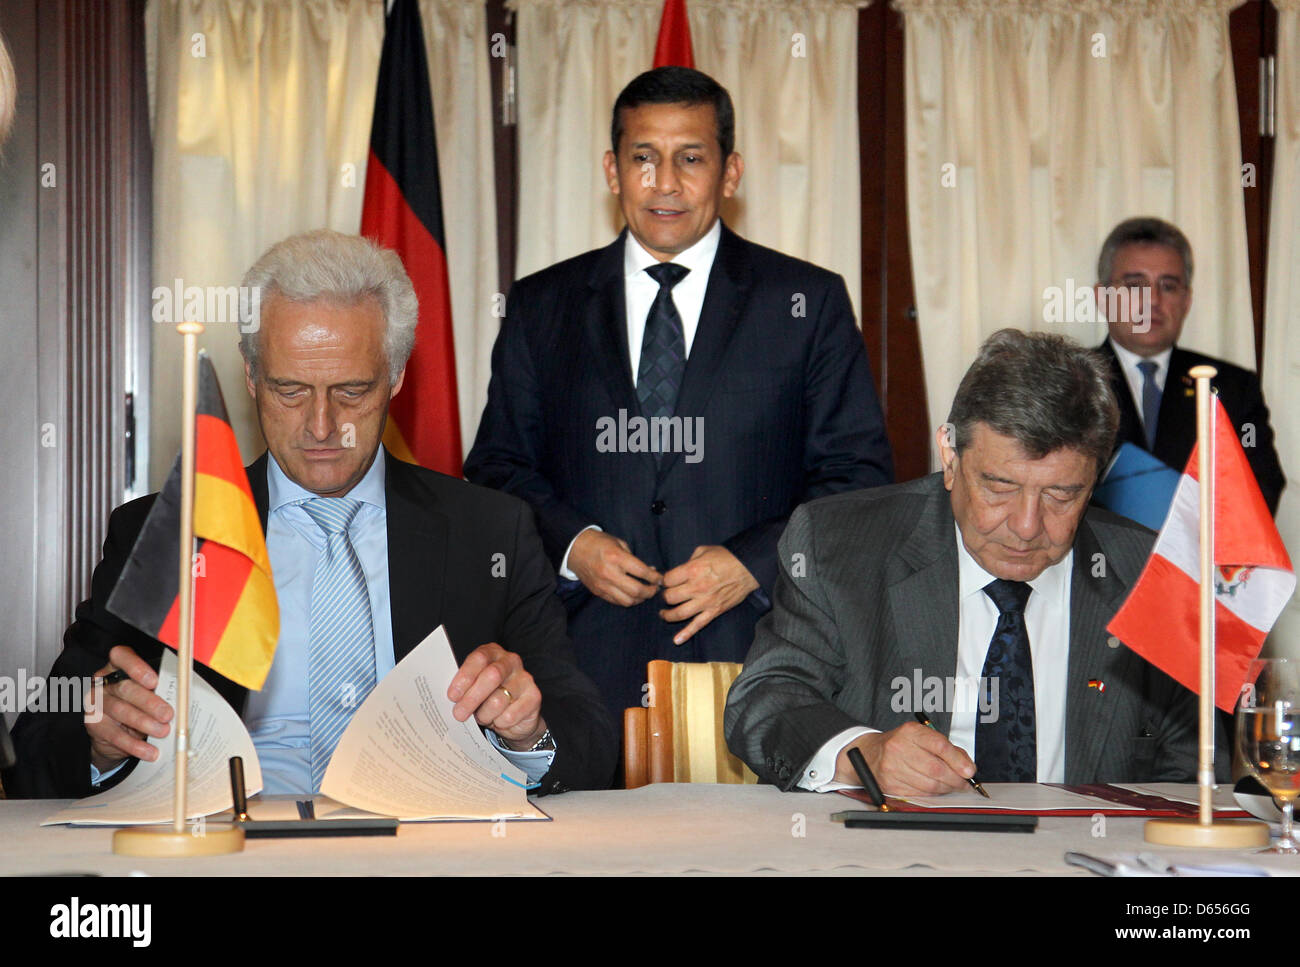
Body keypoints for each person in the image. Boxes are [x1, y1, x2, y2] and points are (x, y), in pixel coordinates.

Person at [3, 230, 617, 799]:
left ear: (397, 375)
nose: (322, 427)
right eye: (289, 391)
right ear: (250, 376)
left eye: (351, 391)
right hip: (228, 851)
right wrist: (97, 739)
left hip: (423, 850)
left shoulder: (490, 530)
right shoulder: (171, 531)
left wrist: (526, 731)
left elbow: (587, 738)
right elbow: (36, 745)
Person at [464, 67, 894, 715]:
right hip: (583, 667)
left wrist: (755, 561)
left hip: (763, 659)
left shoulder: (806, 301)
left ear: (730, 173)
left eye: (690, 158)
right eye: (644, 157)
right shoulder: (541, 304)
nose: (665, 182)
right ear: (613, 171)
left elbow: (858, 479)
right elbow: (496, 468)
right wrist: (575, 544)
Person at [725, 329, 1216, 795]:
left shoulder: (1152, 572)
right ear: (950, 456)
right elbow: (768, 697)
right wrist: (864, 754)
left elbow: (1190, 767)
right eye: (1000, 487)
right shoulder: (840, 545)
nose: (1027, 525)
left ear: (1095, 482)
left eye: (1061, 495)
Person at [1094, 216, 1284, 513]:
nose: (1152, 300)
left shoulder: (1232, 388)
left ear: (1186, 301)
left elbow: (1262, 488)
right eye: (1135, 285)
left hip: (1197, 558)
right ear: (1103, 297)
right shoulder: (1069, 380)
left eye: (1168, 286)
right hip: (1098, 558)